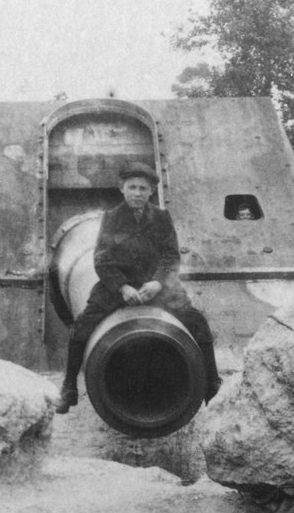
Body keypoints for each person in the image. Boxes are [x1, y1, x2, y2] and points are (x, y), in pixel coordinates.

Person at [56, 161, 221, 413]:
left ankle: (212, 384)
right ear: (122, 189)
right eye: (132, 187)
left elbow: (171, 256)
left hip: (157, 287)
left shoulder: (162, 218)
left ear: (151, 192)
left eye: (143, 188)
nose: (137, 193)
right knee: (81, 329)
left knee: (197, 323)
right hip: (119, 287)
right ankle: (69, 388)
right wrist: (122, 287)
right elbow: (102, 258)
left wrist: (157, 282)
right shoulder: (111, 219)